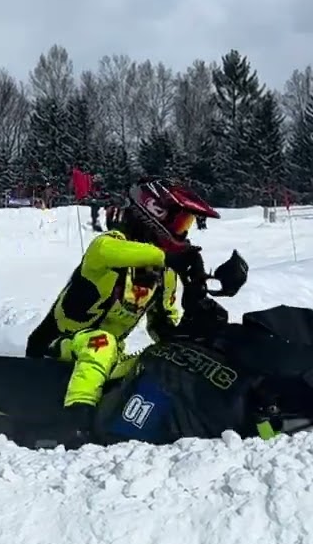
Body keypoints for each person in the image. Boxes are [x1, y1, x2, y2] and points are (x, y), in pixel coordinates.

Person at [23, 179, 220, 435]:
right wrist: (166, 256)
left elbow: (164, 328)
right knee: (101, 344)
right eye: (180, 222)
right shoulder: (110, 245)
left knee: (157, 361)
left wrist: (197, 323)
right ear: (154, 212)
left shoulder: (165, 275)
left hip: (110, 354)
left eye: (187, 225)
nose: (183, 232)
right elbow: (105, 250)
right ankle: (75, 421)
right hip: (55, 345)